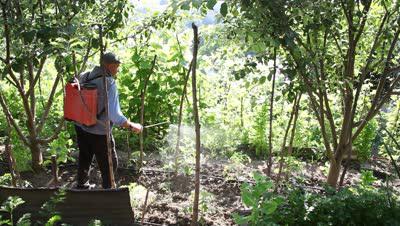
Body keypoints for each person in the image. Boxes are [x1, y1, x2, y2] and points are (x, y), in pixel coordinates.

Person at [74, 52, 142, 189]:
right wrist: (131, 125)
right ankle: (108, 191)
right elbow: (114, 115)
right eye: (117, 66)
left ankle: (81, 185)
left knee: (85, 156)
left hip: (80, 125)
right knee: (110, 163)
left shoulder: (84, 76)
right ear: (109, 65)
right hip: (99, 131)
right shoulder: (109, 83)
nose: (118, 69)